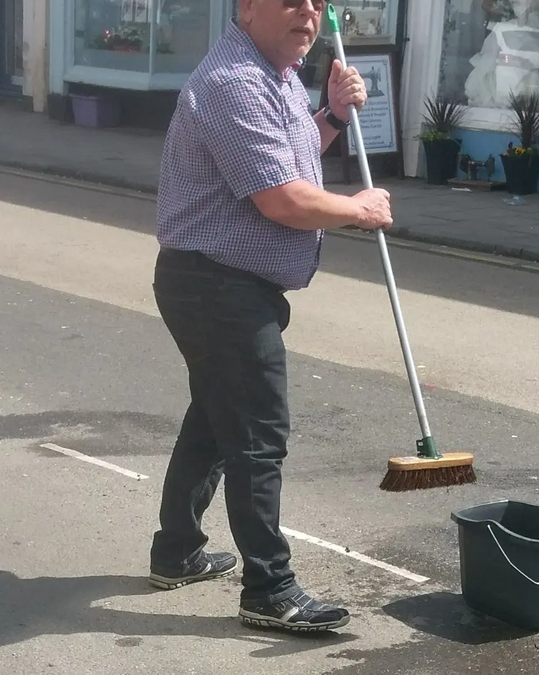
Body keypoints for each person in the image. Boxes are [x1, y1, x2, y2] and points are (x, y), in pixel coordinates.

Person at [146, 0, 394, 634]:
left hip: (222, 284)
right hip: (215, 286)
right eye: (291, 1)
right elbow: (281, 198)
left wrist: (333, 116)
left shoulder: (273, 76)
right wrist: (357, 209)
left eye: (316, 4)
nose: (308, 13)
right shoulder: (233, 81)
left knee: (213, 419)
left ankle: (177, 552)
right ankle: (269, 588)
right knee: (257, 433)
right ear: (248, 7)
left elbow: (294, 153)